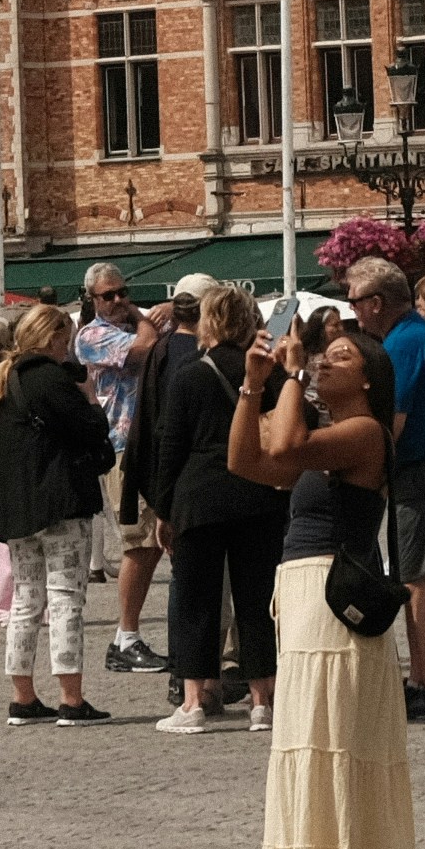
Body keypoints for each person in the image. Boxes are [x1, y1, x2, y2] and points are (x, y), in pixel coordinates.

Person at [244, 320, 423, 849]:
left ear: (369, 379)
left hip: (331, 601)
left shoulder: (366, 432)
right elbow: (256, 460)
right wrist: (251, 388)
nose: (322, 363)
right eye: (321, 357)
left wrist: (289, 376)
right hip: (305, 596)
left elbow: (285, 443)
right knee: (319, 758)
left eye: (338, 358)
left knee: (333, 759)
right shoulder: (333, 435)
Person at [0, 301, 118, 725]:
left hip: (17, 505)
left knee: (26, 600)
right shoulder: (49, 378)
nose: (68, 348)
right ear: (53, 338)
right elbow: (89, 429)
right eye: (65, 339)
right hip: (58, 501)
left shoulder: (6, 376)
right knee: (66, 598)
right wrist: (91, 400)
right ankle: (71, 697)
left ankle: (24, 696)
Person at [126, 285, 269, 735]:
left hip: (199, 494)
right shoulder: (269, 373)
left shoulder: (190, 372)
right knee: (257, 599)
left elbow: (171, 445)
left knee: (195, 600)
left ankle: (193, 702)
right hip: (257, 491)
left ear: (208, 322)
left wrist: (164, 509)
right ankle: (263, 700)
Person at [338, 259, 425, 716]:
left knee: (423, 581)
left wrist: (362, 472)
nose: (351, 309)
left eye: (354, 300)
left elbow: (390, 424)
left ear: (376, 303)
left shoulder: (407, 342)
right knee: (415, 578)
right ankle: (422, 679)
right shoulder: (408, 335)